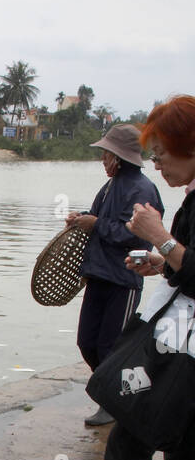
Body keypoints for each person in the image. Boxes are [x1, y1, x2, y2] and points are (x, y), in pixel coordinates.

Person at [71, 94, 195, 460]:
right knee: (186, 450)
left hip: (182, 347)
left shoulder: (157, 195)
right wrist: (164, 261)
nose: (158, 162)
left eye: (163, 151)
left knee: (130, 433)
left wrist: (160, 238)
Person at [67, 124, 164, 426]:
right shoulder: (109, 187)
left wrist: (95, 224)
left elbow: (136, 235)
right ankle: (114, 394)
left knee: (111, 345)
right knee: (87, 342)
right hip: (98, 275)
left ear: (119, 158)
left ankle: (114, 401)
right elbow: (101, 218)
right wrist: (82, 218)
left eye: (106, 154)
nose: (103, 160)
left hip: (123, 278)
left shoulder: (143, 189)